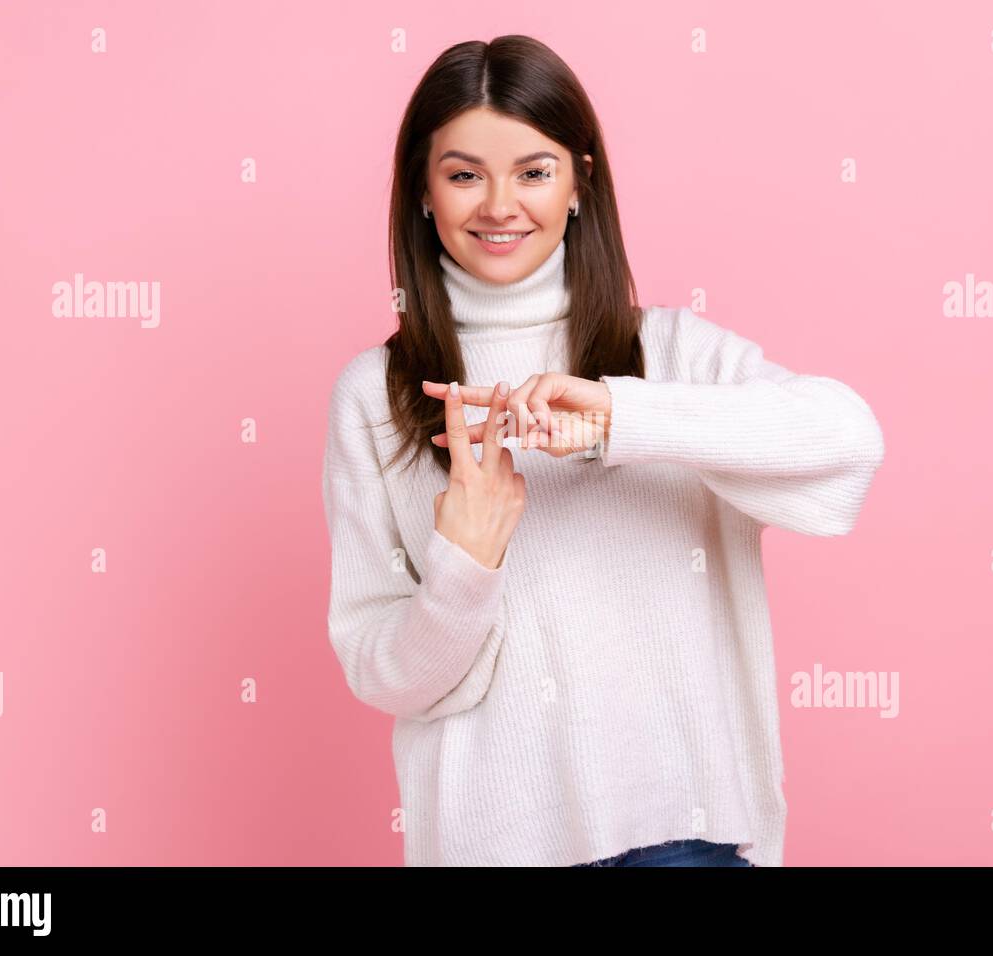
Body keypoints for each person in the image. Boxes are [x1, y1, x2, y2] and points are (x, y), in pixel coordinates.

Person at [322, 35, 885, 867]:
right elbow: (382, 674)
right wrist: (465, 563)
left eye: (535, 171)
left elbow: (848, 442)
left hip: (681, 837)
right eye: (466, 173)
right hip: (493, 846)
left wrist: (624, 418)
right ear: (423, 191)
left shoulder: (672, 354)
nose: (500, 205)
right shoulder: (377, 393)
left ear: (580, 181)